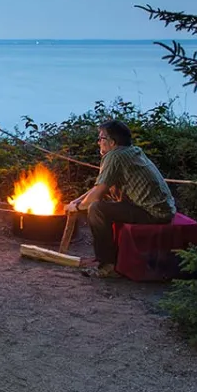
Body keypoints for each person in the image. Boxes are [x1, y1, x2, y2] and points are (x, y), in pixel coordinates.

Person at [64, 119, 176, 278]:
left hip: (152, 212)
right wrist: (77, 201)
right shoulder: (130, 151)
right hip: (162, 208)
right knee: (99, 205)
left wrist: (76, 207)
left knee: (97, 209)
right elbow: (99, 187)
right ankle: (108, 258)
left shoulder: (114, 157)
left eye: (101, 138)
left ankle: (107, 266)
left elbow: (96, 196)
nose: (98, 142)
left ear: (112, 142)